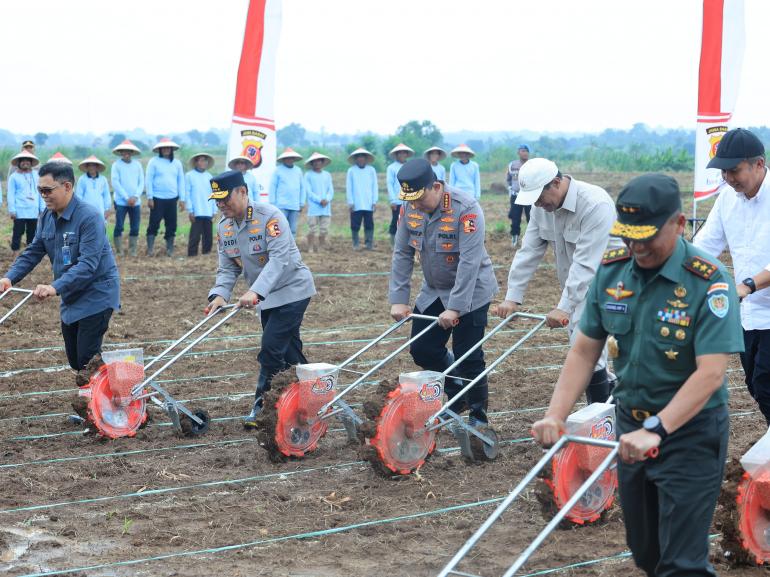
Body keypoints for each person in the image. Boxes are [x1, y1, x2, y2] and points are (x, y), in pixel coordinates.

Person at [532, 173, 743, 577]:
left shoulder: (708, 281)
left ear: (679, 224)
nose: (637, 248)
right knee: (647, 553)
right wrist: (555, 414)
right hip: (630, 427)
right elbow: (584, 348)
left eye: (647, 237)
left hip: (690, 433)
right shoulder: (613, 272)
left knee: (681, 564)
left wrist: (658, 429)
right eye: (629, 237)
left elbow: (711, 373)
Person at [495, 158, 623, 403]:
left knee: (585, 351)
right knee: (589, 353)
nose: (538, 204)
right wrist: (513, 297)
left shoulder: (594, 204)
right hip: (577, 287)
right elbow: (528, 251)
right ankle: (612, 405)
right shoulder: (541, 208)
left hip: (610, 283)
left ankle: (597, 420)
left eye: (539, 197)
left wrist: (563, 307)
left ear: (555, 183)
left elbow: (586, 265)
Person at [390, 158, 498, 426]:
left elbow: (470, 261)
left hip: (471, 293)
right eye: (410, 200)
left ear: (436, 186)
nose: (415, 205)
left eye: (419, 198)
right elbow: (402, 253)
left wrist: (456, 307)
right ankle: (456, 388)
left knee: (468, 355)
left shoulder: (466, 209)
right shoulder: (409, 209)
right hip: (434, 290)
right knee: (422, 350)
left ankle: (478, 416)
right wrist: (399, 300)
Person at [205, 170, 316, 427]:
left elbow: (279, 260)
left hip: (292, 290)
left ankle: (264, 408)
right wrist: (219, 295)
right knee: (289, 353)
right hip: (264, 298)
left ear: (242, 192)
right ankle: (315, 394)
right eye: (217, 200)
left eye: (225, 199)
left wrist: (255, 291)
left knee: (270, 348)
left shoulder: (270, 217)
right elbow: (228, 267)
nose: (221, 205)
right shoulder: (224, 227)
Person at [0, 161, 120, 387]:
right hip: (71, 295)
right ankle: (105, 399)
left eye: (48, 190)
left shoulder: (89, 217)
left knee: (87, 359)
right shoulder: (46, 216)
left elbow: (88, 265)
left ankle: (105, 411)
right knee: (76, 360)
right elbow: (34, 251)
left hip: (97, 294)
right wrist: (9, 277)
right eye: (40, 190)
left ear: (67, 186)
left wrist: (54, 287)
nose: (43, 195)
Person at [693, 127, 770, 424]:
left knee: (765, 383)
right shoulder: (727, 199)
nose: (728, 177)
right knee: (755, 385)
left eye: (734, 170)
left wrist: (748, 285)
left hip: (753, 299)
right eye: (723, 171)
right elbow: (705, 246)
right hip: (748, 314)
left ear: (759, 164)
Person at [145, 137, 185, 257]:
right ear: (160, 150)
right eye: (164, 148)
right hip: (157, 198)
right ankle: (150, 249)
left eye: (168, 148)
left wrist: (182, 199)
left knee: (171, 224)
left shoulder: (177, 163)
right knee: (154, 223)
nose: (166, 149)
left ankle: (170, 249)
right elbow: (148, 179)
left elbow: (181, 181)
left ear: (172, 149)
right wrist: (150, 197)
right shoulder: (153, 162)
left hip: (172, 198)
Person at [7, 150, 43, 258]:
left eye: (28, 160)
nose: (25, 162)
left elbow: (40, 192)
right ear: (19, 162)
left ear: (31, 162)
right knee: (18, 233)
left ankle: (29, 255)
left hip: (33, 210)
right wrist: (12, 210)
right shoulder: (14, 177)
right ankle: (15, 254)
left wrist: (42, 208)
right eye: (23, 161)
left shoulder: (37, 175)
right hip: (19, 210)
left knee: (32, 233)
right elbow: (10, 194)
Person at [111, 139, 144, 257]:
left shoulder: (138, 165)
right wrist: (126, 198)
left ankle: (132, 250)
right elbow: (115, 183)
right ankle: (119, 251)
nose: (126, 153)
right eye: (124, 152)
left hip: (135, 201)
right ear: (120, 152)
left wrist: (135, 196)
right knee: (119, 225)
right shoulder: (116, 165)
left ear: (132, 152)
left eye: (128, 152)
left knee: (135, 227)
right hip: (121, 201)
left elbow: (141, 182)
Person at [345, 147, 378, 250]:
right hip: (356, 203)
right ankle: (356, 244)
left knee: (369, 224)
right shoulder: (351, 171)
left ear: (366, 158)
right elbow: (349, 187)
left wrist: (374, 201)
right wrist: (350, 202)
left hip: (368, 202)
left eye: (362, 157)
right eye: (358, 157)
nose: (360, 159)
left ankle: (369, 244)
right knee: (355, 225)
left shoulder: (371, 170)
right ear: (355, 159)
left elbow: (375, 186)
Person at [268, 148, 306, 236]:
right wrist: (273, 203)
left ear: (294, 159)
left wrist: (301, 203)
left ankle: (291, 249)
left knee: (293, 229)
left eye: (291, 158)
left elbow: (302, 188)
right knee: (281, 227)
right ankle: (280, 247)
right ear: (283, 159)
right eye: (287, 158)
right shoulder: (278, 170)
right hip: (281, 204)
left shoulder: (298, 170)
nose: (289, 160)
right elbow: (273, 186)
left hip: (294, 204)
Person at [185, 152, 216, 257]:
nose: (203, 162)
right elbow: (187, 193)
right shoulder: (189, 176)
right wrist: (190, 210)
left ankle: (206, 253)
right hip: (196, 210)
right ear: (196, 162)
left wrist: (214, 211)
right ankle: (192, 255)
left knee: (208, 235)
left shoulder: (209, 176)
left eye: (205, 160)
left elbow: (213, 194)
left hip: (208, 210)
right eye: (201, 160)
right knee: (195, 235)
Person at [303, 152, 334, 252]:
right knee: (312, 229)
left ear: (322, 162)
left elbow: (331, 190)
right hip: (314, 206)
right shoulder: (308, 175)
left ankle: (321, 247)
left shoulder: (327, 175)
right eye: (314, 162)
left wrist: (327, 199)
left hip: (326, 206)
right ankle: (310, 247)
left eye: (319, 161)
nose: (317, 163)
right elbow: (308, 191)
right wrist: (319, 200)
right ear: (312, 163)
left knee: (324, 229)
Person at [386, 143, 415, 246]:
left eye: (404, 153)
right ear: (396, 154)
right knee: (396, 220)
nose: (402, 155)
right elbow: (390, 184)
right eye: (400, 153)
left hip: (410, 199)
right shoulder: (391, 168)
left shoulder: (411, 166)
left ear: (407, 154)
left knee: (411, 221)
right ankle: (393, 243)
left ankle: (407, 243)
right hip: (397, 200)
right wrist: (392, 200)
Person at [506, 144, 531, 247]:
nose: (524, 153)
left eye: (526, 151)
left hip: (530, 196)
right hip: (516, 196)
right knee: (515, 218)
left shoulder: (532, 165)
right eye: (522, 151)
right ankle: (515, 238)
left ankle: (531, 240)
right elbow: (508, 179)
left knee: (531, 218)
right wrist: (510, 189)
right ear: (518, 153)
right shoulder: (512, 165)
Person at [75, 156, 111, 220]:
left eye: (93, 165)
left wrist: (107, 209)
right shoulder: (82, 179)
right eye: (89, 166)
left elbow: (106, 195)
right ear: (87, 167)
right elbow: (79, 195)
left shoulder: (103, 179)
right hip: (86, 210)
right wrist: (79, 209)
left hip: (100, 209)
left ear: (97, 167)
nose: (91, 168)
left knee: (100, 227)